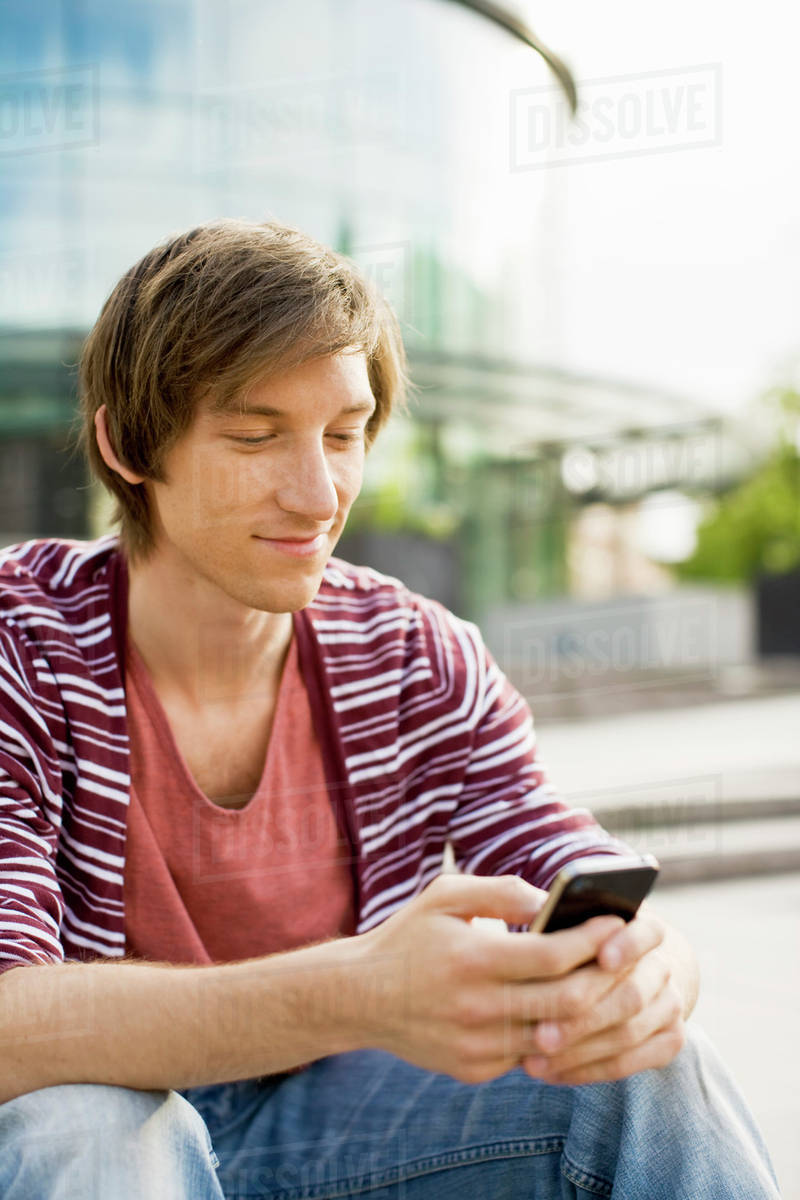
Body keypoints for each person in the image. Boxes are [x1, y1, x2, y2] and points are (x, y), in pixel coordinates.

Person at [0, 219, 781, 1199]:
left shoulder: (412, 651)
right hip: (104, 1128)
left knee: (646, 1069)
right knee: (84, 1128)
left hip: (336, 1126)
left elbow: (552, 848)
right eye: (254, 436)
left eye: (342, 435)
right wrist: (358, 990)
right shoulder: (21, 646)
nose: (316, 492)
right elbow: (8, 1026)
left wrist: (650, 972)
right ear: (125, 445)